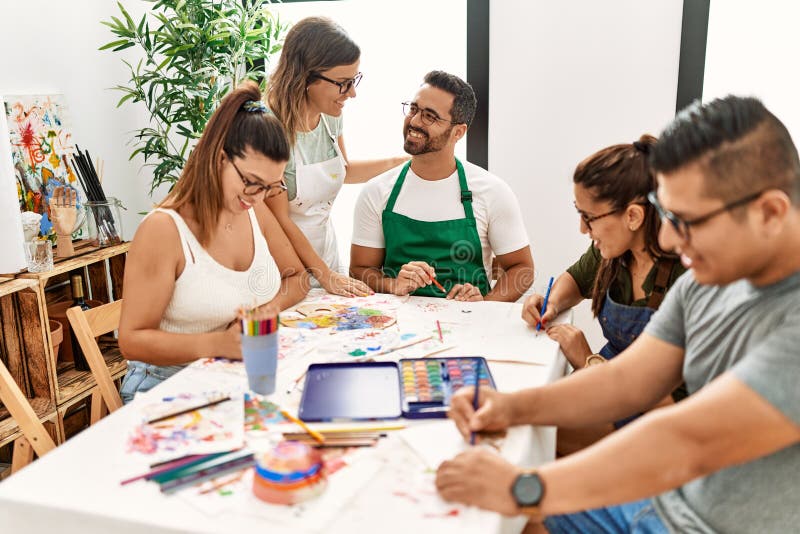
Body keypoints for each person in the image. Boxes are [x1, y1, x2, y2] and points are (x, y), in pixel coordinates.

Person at [435, 95, 800, 533]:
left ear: (770, 212)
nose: (666, 236)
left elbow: (687, 441)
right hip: (663, 501)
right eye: (665, 214)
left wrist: (521, 487)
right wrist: (510, 406)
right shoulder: (703, 284)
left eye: (685, 220)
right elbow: (625, 381)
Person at [118, 82, 310, 402]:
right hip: (166, 384)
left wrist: (261, 314)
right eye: (251, 182)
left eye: (270, 187)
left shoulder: (253, 209)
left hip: (229, 375)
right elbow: (132, 340)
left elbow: (297, 278)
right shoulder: (164, 230)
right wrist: (218, 343)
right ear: (220, 158)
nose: (258, 196)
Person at [522, 136, 686, 449]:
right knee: (531, 425)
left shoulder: (685, 280)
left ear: (634, 216)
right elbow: (574, 279)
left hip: (659, 415)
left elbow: (668, 407)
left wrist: (589, 362)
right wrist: (551, 303)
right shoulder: (612, 253)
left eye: (590, 218)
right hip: (613, 382)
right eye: (578, 213)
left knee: (540, 437)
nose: (583, 230)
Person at [350, 71, 533, 302]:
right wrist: (392, 284)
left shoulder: (492, 192)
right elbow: (359, 269)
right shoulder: (376, 191)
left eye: (430, 116)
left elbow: (522, 268)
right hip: (398, 329)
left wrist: (485, 304)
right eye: (414, 109)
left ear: (458, 132)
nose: (415, 121)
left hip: (469, 326)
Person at [265, 17, 407, 297]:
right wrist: (325, 275)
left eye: (354, 81)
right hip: (283, 269)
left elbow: (343, 170)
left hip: (326, 257)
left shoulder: (330, 118)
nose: (352, 93)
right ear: (305, 76)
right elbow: (280, 220)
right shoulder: (269, 130)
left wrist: (402, 163)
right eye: (343, 83)